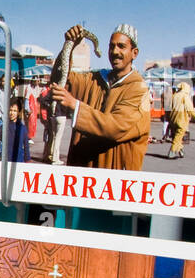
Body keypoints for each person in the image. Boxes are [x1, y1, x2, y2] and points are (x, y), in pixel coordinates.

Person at [49, 23, 152, 171]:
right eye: (111, 46)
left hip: (114, 180)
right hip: (82, 172)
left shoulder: (139, 89)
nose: (115, 51)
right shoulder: (95, 79)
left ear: (134, 53)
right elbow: (60, 81)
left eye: (121, 46)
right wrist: (69, 46)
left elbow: (115, 128)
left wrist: (74, 105)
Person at [167, 82, 195, 159]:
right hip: (181, 118)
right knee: (179, 135)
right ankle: (172, 151)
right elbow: (190, 108)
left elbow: (169, 107)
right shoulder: (185, 96)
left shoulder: (174, 95)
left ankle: (181, 151)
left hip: (172, 118)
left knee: (176, 136)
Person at [7, 97, 30, 164]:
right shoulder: (4, 127)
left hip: (19, 161)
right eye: (10, 110)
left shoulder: (22, 128)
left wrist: (27, 159)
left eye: (15, 111)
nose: (12, 113)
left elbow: (26, 145)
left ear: (18, 112)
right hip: (7, 161)